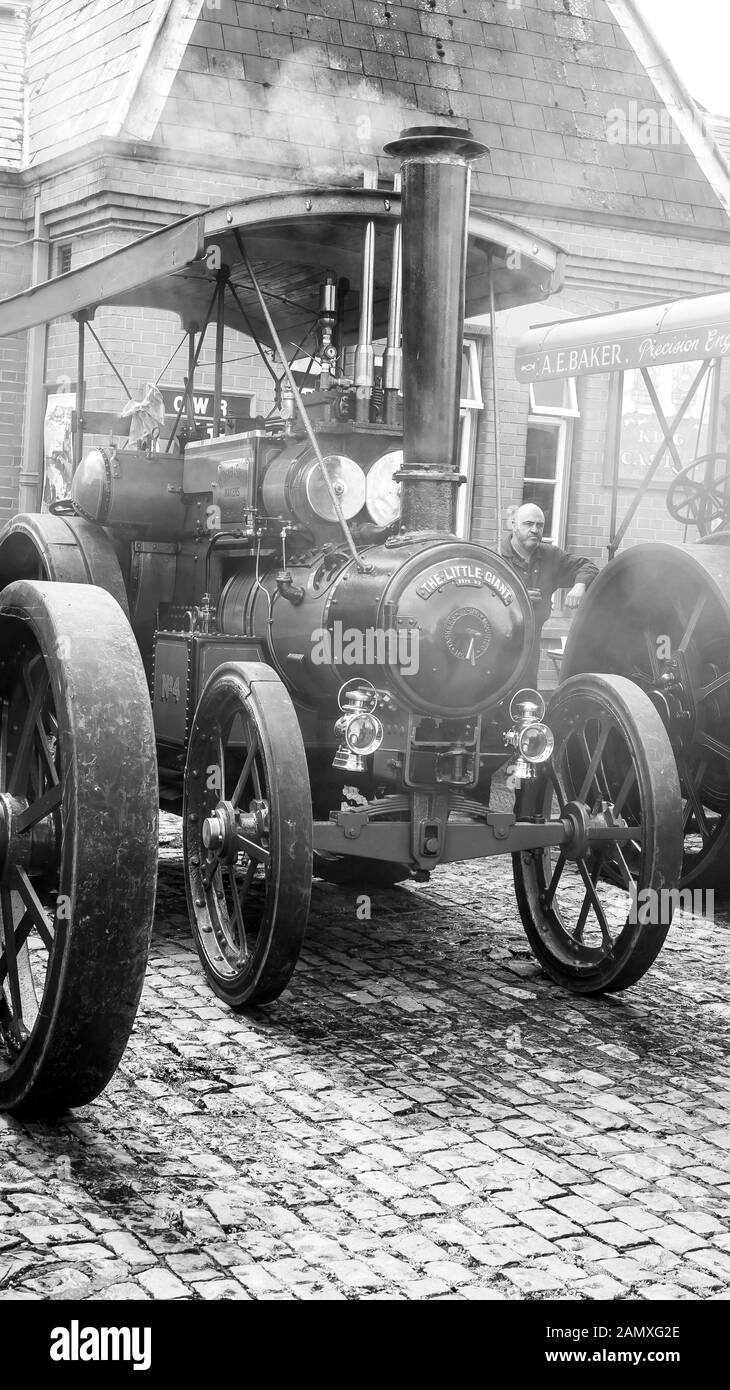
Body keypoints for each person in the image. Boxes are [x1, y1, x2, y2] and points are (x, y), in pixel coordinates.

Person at [500, 503, 598, 688]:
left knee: (525, 703)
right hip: (495, 650)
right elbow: (477, 602)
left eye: (540, 525)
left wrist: (579, 585)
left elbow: (588, 566)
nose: (535, 530)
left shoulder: (550, 556)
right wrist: (516, 599)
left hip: (529, 651)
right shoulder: (495, 557)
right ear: (514, 525)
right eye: (528, 524)